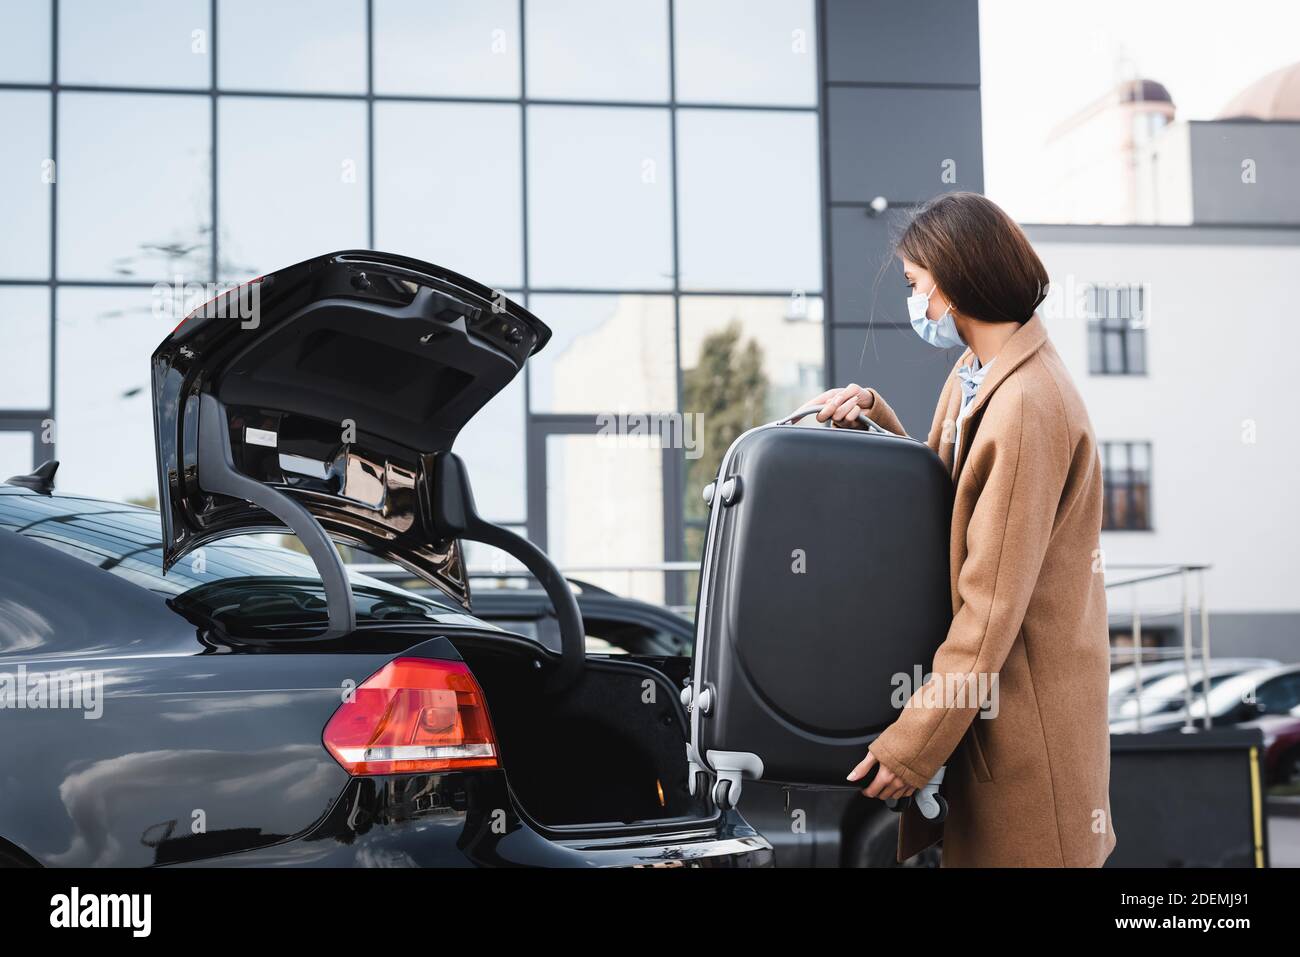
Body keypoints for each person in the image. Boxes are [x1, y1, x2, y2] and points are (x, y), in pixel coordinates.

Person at [815, 191, 1117, 867]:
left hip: (1026, 743)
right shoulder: (977, 375)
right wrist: (870, 413)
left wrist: (913, 742)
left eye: (916, 285)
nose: (914, 302)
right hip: (997, 724)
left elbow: (988, 610)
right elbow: (949, 497)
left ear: (952, 281)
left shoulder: (1026, 407)